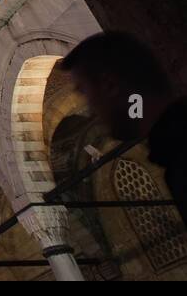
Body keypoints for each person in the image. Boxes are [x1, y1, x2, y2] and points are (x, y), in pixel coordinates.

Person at [58, 31, 187, 223]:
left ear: (110, 85)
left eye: (84, 91)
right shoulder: (174, 147)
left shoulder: (181, 154)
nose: (89, 107)